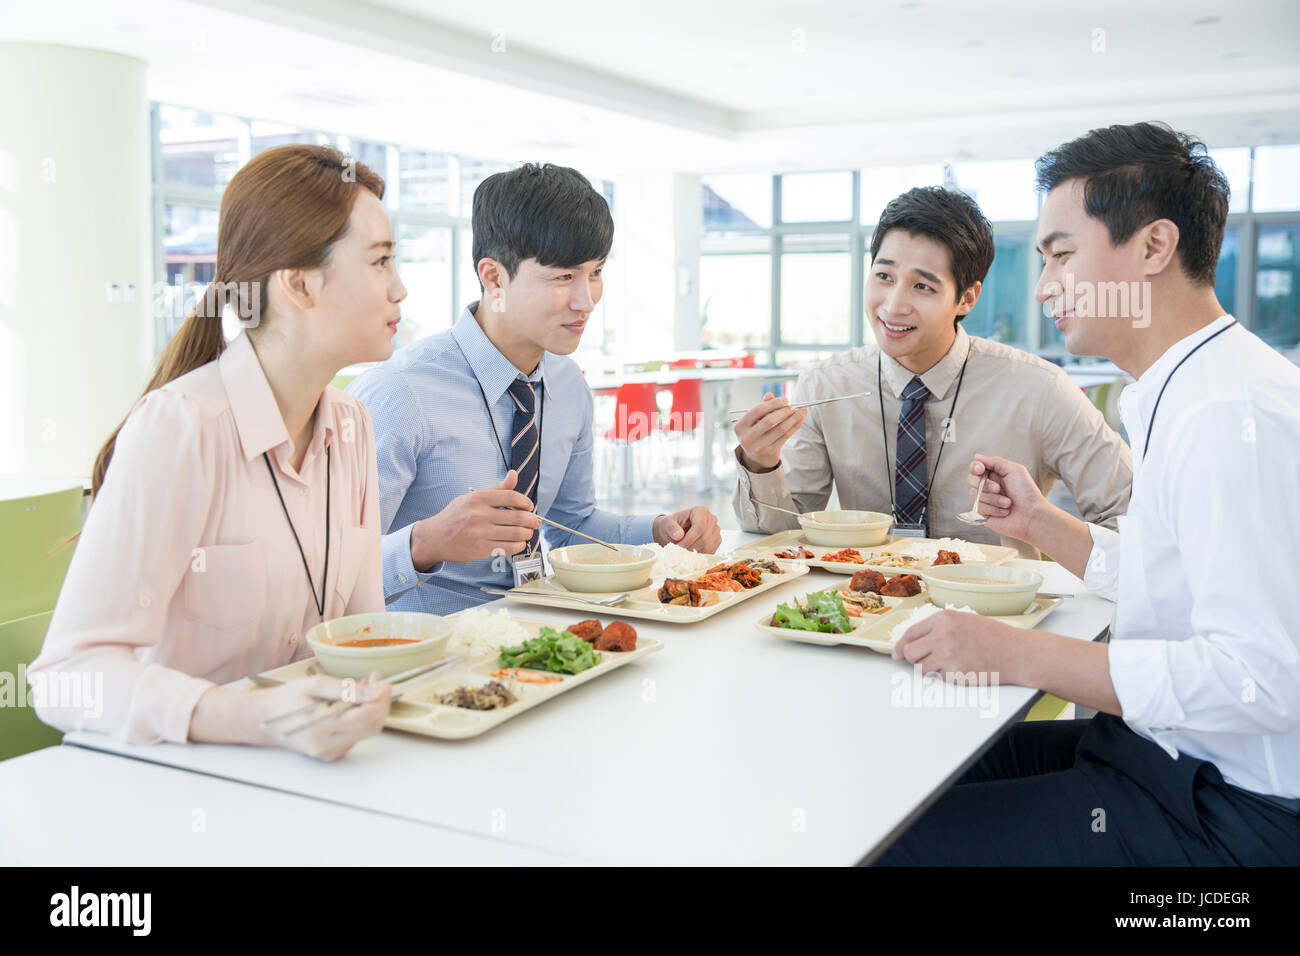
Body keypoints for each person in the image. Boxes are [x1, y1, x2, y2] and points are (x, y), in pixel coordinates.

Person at [877, 122, 1300, 865]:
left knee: (889, 844)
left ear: (1153, 247)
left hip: (1228, 812)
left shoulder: (1229, 413)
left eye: (1062, 255)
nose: (1044, 286)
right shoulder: (1190, 386)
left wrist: (1020, 654)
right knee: (899, 782)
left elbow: (1263, 679)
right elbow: (1174, 578)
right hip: (1155, 752)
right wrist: (1042, 523)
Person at [29, 145, 402, 762]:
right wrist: (255, 718)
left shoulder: (352, 425)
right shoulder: (182, 427)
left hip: (309, 775)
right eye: (381, 261)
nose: (400, 288)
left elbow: (362, 640)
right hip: (170, 784)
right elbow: (67, 676)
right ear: (298, 284)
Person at [349, 163, 721, 614]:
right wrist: (424, 543)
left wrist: (659, 530)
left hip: (539, 627)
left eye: (596, 272)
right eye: (563, 277)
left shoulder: (568, 385)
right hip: (428, 644)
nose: (587, 300)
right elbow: (331, 573)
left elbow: (572, 525)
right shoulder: (400, 393)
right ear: (494, 279)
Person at [732, 186, 1132, 555]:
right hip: (862, 602)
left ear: (967, 298)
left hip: (992, 604)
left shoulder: (1039, 389)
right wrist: (762, 464)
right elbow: (782, 539)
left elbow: (1133, 516)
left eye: (922, 286)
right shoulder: (826, 385)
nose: (893, 305)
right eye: (884, 276)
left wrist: (1044, 527)